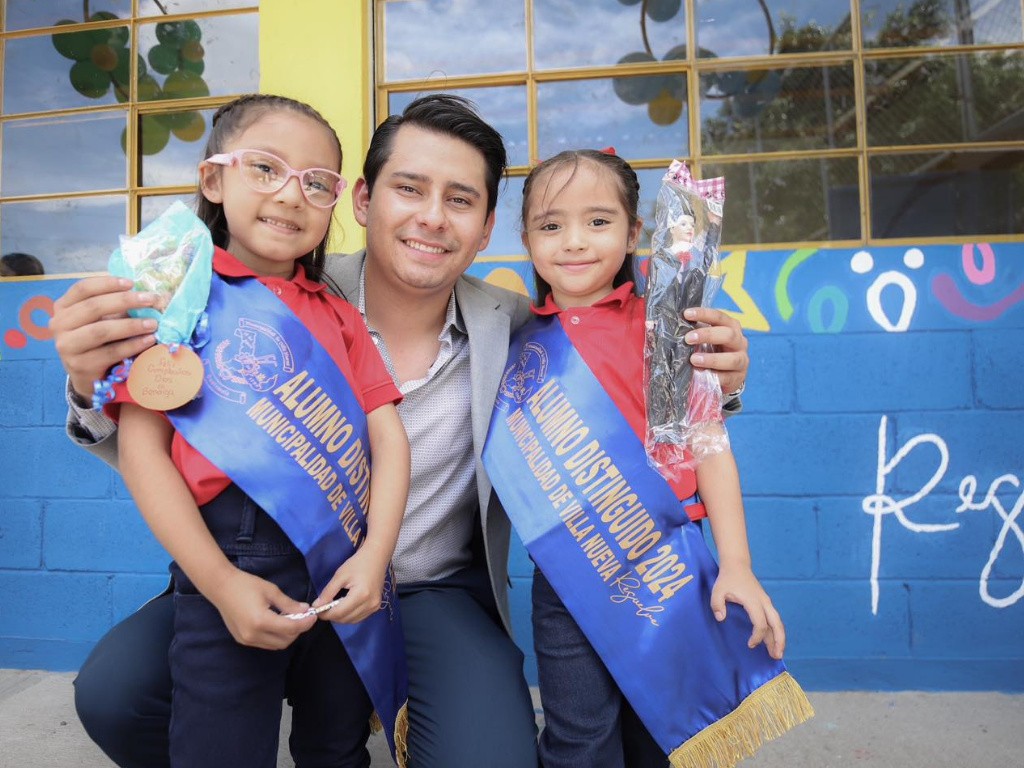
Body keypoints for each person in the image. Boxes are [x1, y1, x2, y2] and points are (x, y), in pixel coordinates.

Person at [51, 95, 752, 768]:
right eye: (409, 189)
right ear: (362, 200)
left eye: (460, 200)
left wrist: (716, 377)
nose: (432, 218)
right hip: (261, 565)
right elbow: (155, 428)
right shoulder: (265, 297)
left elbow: (629, 379)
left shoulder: (520, 328)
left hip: (427, 590)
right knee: (116, 697)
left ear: (486, 230)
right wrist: (88, 386)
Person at [109, 94, 410, 767]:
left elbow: (388, 438)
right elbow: (141, 447)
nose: (291, 195)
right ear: (213, 180)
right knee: (221, 747)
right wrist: (218, 582)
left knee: (336, 745)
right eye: (265, 168)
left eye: (317, 183)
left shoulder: (339, 315)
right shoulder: (172, 295)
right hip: (229, 554)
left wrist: (375, 557)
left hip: (342, 558)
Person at [483, 149, 809, 767]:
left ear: (634, 232)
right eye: (551, 225)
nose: (574, 241)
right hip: (570, 576)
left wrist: (737, 566)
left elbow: (709, 445)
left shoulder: (666, 330)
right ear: (525, 240)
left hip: (670, 564)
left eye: (598, 221)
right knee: (578, 739)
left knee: (660, 739)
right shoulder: (516, 344)